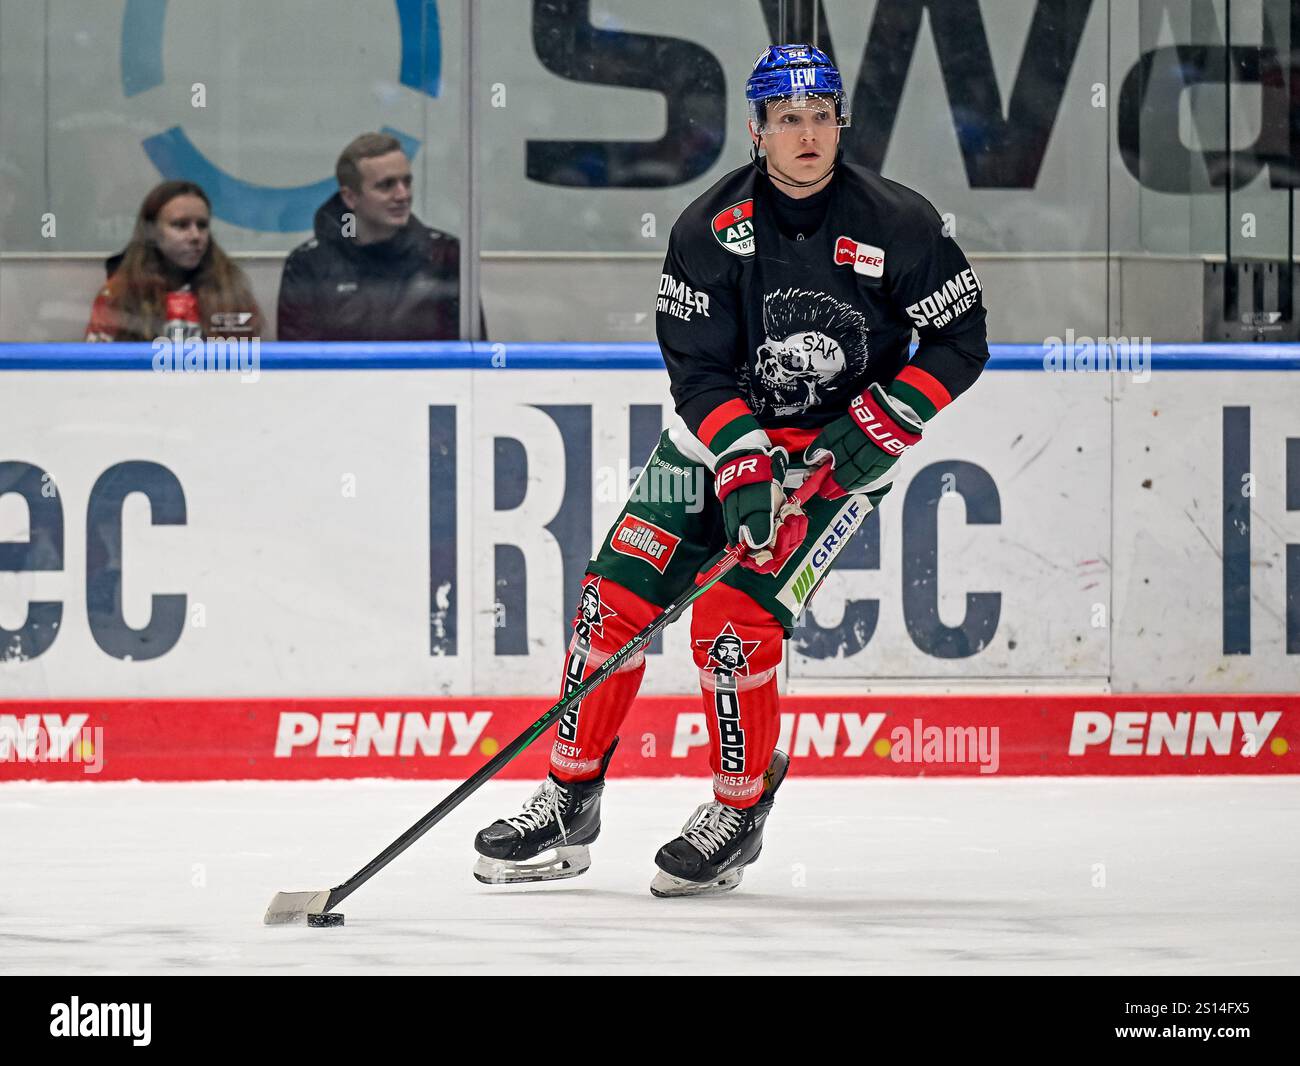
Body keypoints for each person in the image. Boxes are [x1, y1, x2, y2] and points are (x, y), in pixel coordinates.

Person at [472, 44, 990, 897]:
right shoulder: (707, 231)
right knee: (614, 604)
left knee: (729, 626)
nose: (808, 133)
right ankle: (569, 796)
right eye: (789, 118)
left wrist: (880, 424)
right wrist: (745, 459)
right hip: (714, 445)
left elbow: (960, 340)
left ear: (840, 125)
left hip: (834, 460)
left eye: (822, 115)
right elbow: (699, 372)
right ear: (757, 131)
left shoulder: (900, 224)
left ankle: (739, 809)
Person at [276, 132, 473, 340]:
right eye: (386, 185)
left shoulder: (445, 256)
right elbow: (300, 364)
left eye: (406, 182)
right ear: (350, 198)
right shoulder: (309, 265)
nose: (403, 195)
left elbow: (472, 360)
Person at [85, 181, 262, 341]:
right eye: (181, 225)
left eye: (202, 225)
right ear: (152, 231)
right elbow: (98, 366)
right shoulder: (119, 293)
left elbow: (248, 365)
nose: (195, 236)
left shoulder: (231, 290)